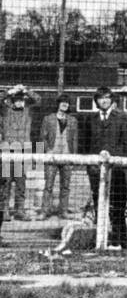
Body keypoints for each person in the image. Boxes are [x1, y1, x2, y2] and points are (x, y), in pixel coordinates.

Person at [86, 87, 127, 248]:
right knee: (99, 205)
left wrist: (116, 160)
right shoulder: (91, 119)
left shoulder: (121, 118)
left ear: (112, 100)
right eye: (100, 98)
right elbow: (86, 145)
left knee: (118, 205)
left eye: (107, 98)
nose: (104, 101)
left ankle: (120, 240)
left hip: (117, 170)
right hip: (96, 171)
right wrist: (91, 165)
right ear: (96, 101)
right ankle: (100, 240)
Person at [1, 83, 42, 222]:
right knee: (5, 183)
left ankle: (19, 210)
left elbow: (38, 100)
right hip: (8, 152)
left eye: (21, 100)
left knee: (20, 183)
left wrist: (25, 90)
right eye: (17, 100)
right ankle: (4, 210)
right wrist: (10, 91)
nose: (20, 102)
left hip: (22, 152)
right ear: (12, 101)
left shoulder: (28, 112)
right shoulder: (6, 112)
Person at [39, 95, 79, 219]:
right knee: (48, 185)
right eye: (62, 102)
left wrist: (74, 157)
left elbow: (75, 140)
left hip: (67, 157)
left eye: (67, 103)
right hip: (52, 157)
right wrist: (47, 151)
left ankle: (63, 211)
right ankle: (45, 211)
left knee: (66, 186)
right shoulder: (48, 119)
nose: (65, 104)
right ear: (58, 104)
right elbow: (42, 137)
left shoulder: (73, 120)